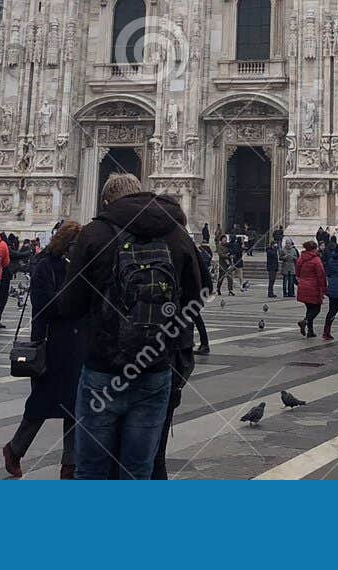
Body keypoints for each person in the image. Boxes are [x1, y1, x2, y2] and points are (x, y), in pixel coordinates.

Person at [55, 173, 201, 480]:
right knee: (138, 469)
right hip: (155, 368)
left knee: (92, 469)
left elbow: (69, 305)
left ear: (108, 202)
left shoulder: (94, 233)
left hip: (103, 367)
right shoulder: (176, 232)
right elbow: (195, 300)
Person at [2, 220, 84, 479]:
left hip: (77, 345)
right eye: (75, 246)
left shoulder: (80, 268)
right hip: (50, 344)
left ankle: (69, 463)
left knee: (76, 405)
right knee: (40, 404)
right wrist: (73, 298)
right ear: (66, 243)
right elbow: (44, 306)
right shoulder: (45, 267)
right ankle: (15, 449)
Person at [151, 196, 206, 480]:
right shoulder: (182, 241)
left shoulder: (107, 236)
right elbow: (201, 290)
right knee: (157, 418)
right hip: (169, 349)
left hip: (112, 354)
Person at [295, 239, 326, 336]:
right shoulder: (316, 260)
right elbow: (321, 275)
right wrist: (324, 288)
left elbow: (297, 272)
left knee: (309, 309)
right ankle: (305, 321)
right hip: (314, 287)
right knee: (316, 309)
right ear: (314, 249)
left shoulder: (301, 258)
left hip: (303, 286)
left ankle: (310, 331)